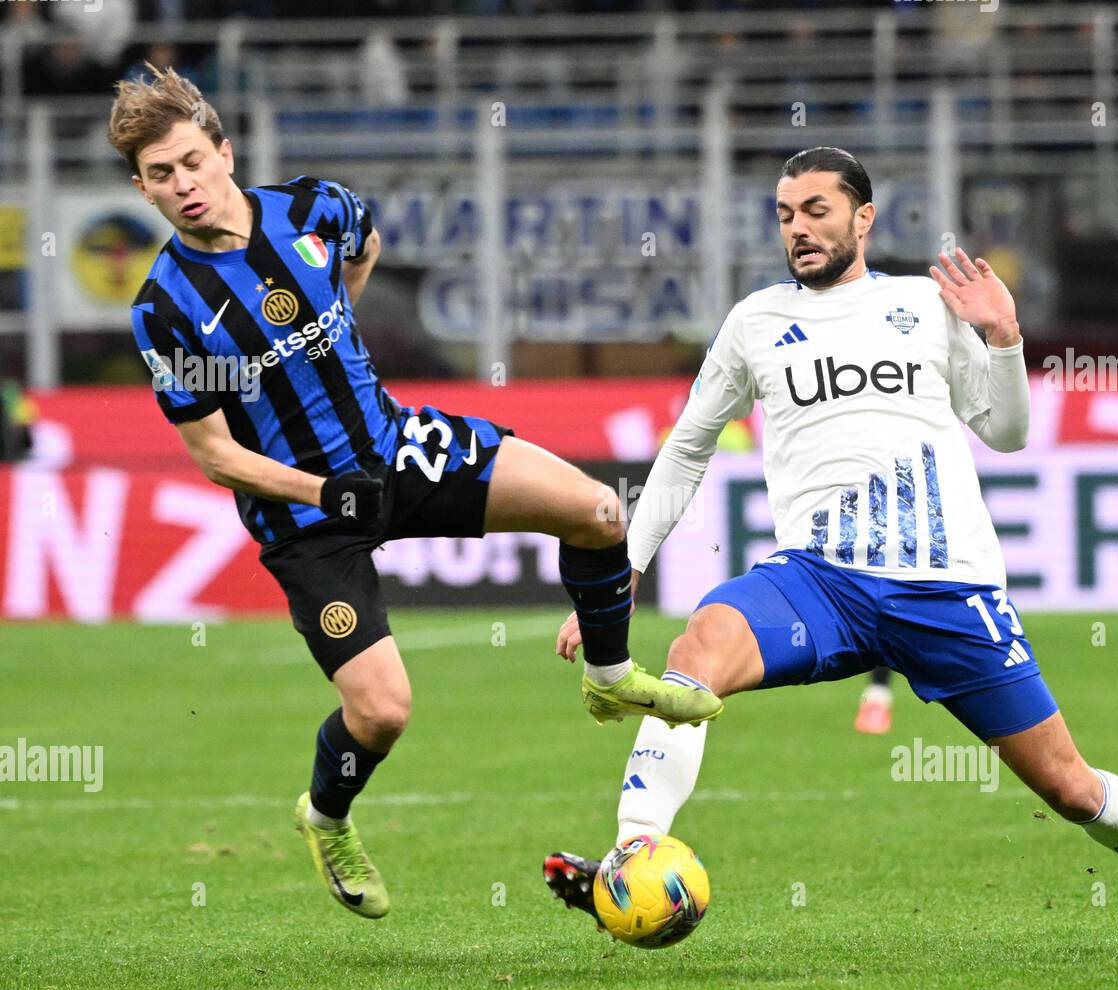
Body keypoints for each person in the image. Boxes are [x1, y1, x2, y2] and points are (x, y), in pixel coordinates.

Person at [544, 147, 1118, 952]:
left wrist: (1003, 338)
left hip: (947, 588)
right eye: (786, 215)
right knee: (701, 642)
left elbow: (1006, 432)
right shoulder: (753, 323)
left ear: (864, 218)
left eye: (817, 210)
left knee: (1068, 787)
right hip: (819, 581)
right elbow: (687, 449)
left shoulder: (927, 304)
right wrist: (628, 566)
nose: (799, 230)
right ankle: (631, 853)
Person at [109, 65, 720, 921]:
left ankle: (612, 676)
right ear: (142, 188)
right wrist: (326, 492)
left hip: (400, 446)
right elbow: (215, 454)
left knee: (596, 512)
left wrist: (339, 344)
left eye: (191, 163)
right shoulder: (165, 309)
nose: (184, 187)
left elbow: (363, 247)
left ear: (225, 151)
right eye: (161, 177)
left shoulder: (313, 207)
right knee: (384, 710)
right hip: (307, 517)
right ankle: (326, 818)